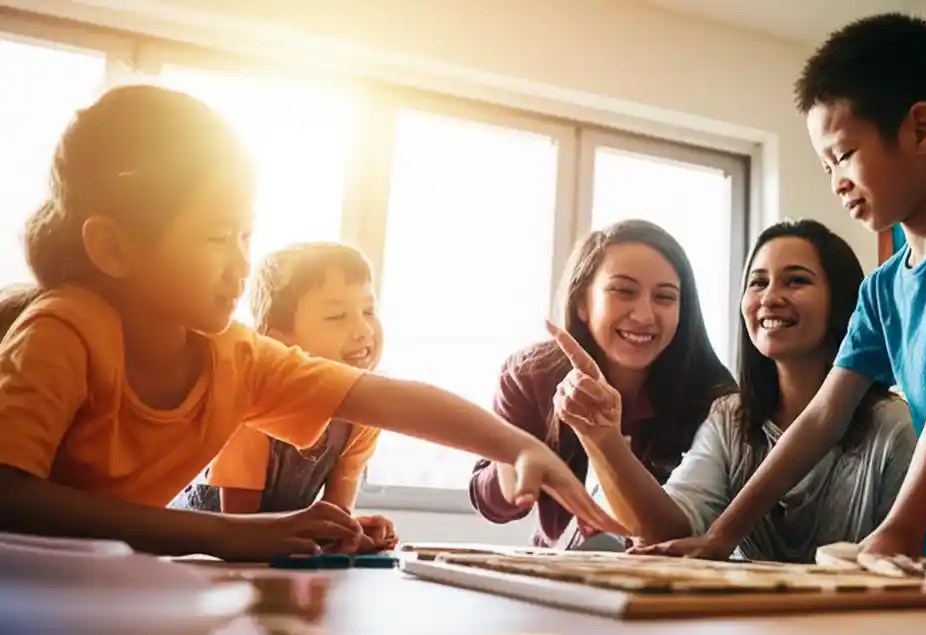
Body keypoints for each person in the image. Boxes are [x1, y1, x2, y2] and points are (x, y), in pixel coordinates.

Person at [0, 85, 624, 560]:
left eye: (245, 235)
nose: (240, 263)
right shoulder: (65, 329)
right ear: (113, 248)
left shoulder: (234, 356)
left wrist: (519, 446)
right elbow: (11, 496)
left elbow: (388, 398)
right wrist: (225, 534)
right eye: (217, 237)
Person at [647, 15, 926, 560]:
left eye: (844, 155)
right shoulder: (881, 290)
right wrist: (722, 535)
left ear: (921, 130)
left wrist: (902, 525)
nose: (836, 182)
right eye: (826, 165)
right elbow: (822, 417)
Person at [552, 219, 926, 562]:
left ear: (840, 300)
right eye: (758, 283)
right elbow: (669, 534)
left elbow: (910, 562)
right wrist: (603, 437)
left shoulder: (893, 426)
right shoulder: (729, 419)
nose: (770, 298)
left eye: (796, 281)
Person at [469, 219, 735, 547]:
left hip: (664, 571)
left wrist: (605, 439)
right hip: (559, 566)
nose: (644, 316)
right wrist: (518, 462)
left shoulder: (712, 397)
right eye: (623, 291)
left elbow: (685, 530)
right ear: (582, 302)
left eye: (665, 297)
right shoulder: (531, 374)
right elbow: (492, 504)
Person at [169, 242, 396, 551]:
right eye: (336, 316)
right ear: (279, 344)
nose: (363, 330)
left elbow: (334, 516)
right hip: (197, 551)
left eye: (369, 311)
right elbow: (241, 528)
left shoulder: (363, 417)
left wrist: (352, 533)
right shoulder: (251, 411)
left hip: (266, 549)